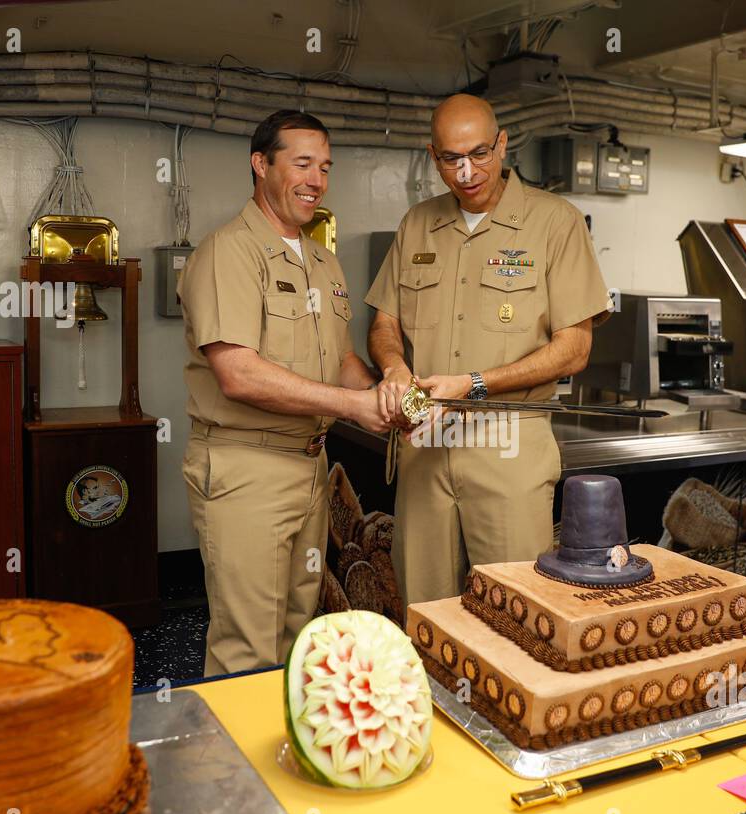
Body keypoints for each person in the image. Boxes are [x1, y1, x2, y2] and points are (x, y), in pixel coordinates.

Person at [365, 93, 609, 607]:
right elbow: (384, 322)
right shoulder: (417, 224)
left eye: (480, 154)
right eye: (451, 159)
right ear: (433, 157)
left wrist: (472, 383)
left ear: (502, 144)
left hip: (509, 440)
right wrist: (393, 368)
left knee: (516, 612)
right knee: (426, 610)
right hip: (425, 445)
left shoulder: (554, 222)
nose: (467, 171)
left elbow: (574, 350)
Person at [180, 110, 391, 675]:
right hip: (246, 470)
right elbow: (239, 375)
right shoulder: (230, 252)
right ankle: (229, 765)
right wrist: (353, 408)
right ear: (261, 165)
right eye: (301, 164)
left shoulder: (323, 261)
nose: (316, 180)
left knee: (300, 634)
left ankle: (282, 757)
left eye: (324, 168)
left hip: (309, 469)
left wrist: (388, 396)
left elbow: (341, 360)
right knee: (247, 647)